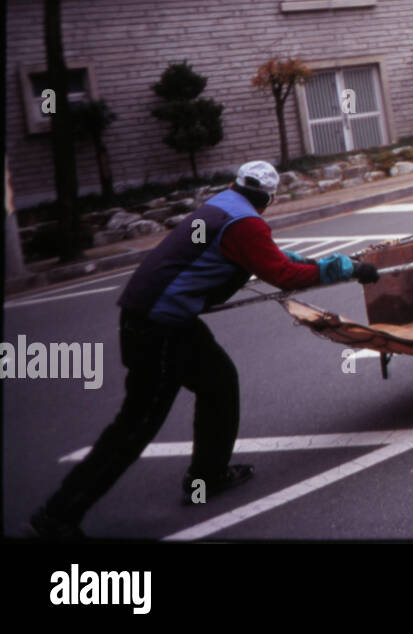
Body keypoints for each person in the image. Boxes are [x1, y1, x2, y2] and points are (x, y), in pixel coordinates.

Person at [28, 160, 379, 540]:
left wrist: (334, 265)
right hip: (159, 326)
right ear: (270, 198)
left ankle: (207, 476)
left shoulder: (222, 207)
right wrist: (347, 269)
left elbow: (273, 259)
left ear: (235, 184)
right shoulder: (245, 223)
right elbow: (282, 274)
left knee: (219, 382)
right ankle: (57, 515)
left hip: (156, 317)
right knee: (135, 426)